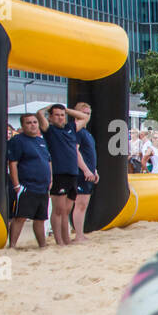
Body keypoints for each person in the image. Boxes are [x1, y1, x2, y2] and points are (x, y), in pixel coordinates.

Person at [36, 103, 96, 246]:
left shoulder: (70, 128)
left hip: (72, 173)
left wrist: (66, 110)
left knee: (66, 210)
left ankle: (66, 239)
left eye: (62, 115)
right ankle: (59, 241)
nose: (60, 117)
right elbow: (39, 114)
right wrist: (48, 108)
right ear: (50, 117)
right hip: (59, 173)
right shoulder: (49, 130)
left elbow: (84, 118)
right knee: (58, 209)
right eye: (57, 115)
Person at [5, 113, 52, 249]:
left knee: (40, 219)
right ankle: (12, 246)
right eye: (29, 123)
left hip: (42, 186)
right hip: (26, 185)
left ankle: (42, 245)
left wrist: (50, 179)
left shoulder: (41, 140)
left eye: (34, 122)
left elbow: (48, 161)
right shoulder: (18, 140)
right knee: (20, 217)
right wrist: (16, 185)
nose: (32, 125)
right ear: (23, 125)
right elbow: (13, 163)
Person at [70, 102, 98, 241]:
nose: (87, 116)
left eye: (88, 113)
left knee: (83, 204)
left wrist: (94, 170)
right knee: (80, 204)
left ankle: (80, 233)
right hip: (81, 173)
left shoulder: (85, 132)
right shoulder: (78, 131)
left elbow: (88, 154)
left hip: (88, 171)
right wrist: (86, 170)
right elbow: (75, 152)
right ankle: (78, 235)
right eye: (84, 113)